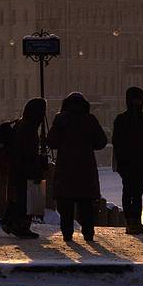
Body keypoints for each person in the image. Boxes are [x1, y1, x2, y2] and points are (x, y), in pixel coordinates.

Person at [46, 92, 107, 243]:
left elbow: (51, 142)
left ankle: (67, 235)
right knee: (86, 204)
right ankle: (88, 234)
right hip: (86, 169)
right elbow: (102, 142)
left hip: (65, 168)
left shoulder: (61, 119)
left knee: (65, 205)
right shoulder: (90, 119)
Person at [0, 99, 48, 240]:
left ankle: (11, 223)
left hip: (19, 168)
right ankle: (21, 227)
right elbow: (26, 151)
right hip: (25, 169)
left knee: (20, 198)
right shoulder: (28, 128)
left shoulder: (21, 123)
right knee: (26, 198)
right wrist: (37, 161)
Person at [111, 86, 143, 236]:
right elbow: (116, 142)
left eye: (139, 99)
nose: (137, 102)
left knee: (136, 192)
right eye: (135, 99)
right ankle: (130, 223)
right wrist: (121, 161)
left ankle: (136, 222)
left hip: (140, 161)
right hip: (129, 162)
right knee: (129, 191)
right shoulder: (123, 119)